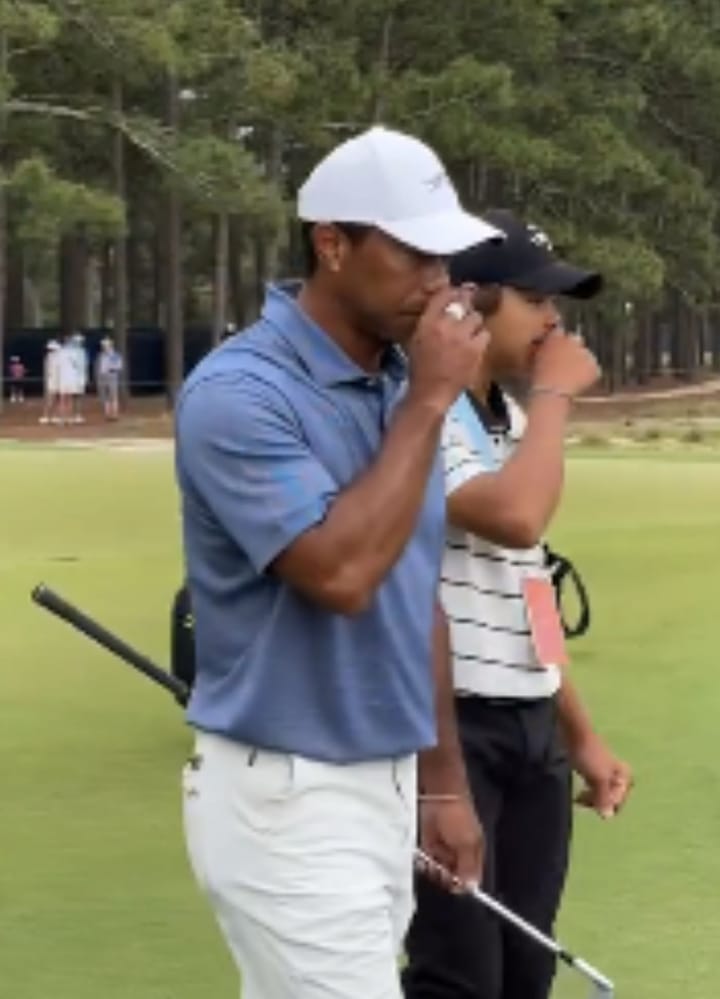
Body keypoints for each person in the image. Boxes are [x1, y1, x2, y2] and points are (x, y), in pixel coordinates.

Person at [174, 125, 502, 999]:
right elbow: (342, 575)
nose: (438, 280)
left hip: (384, 783)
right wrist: (431, 399)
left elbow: (414, 594)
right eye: (414, 255)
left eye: (445, 257)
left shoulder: (397, 383)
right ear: (332, 244)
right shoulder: (239, 391)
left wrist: (442, 784)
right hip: (288, 796)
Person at [403, 210, 634, 999]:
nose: (552, 321)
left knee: (526, 967)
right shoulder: (419, 409)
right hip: (451, 727)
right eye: (536, 300)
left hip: (531, 729)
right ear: (471, 299)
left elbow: (530, 581)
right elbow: (516, 516)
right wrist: (559, 391)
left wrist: (580, 732)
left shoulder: (511, 417)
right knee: (460, 973)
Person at [95, 337, 123, 420]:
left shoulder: (115, 355)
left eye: (106, 345)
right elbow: (98, 366)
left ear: (110, 345)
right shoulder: (100, 356)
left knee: (113, 396)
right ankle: (107, 413)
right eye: (104, 346)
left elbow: (118, 366)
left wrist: (110, 369)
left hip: (111, 376)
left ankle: (114, 414)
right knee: (104, 396)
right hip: (101, 377)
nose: (104, 347)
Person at [39, 340, 62, 424]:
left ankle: (50, 416)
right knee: (53, 399)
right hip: (54, 380)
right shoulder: (50, 357)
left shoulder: (51, 357)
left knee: (53, 399)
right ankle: (51, 416)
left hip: (55, 380)